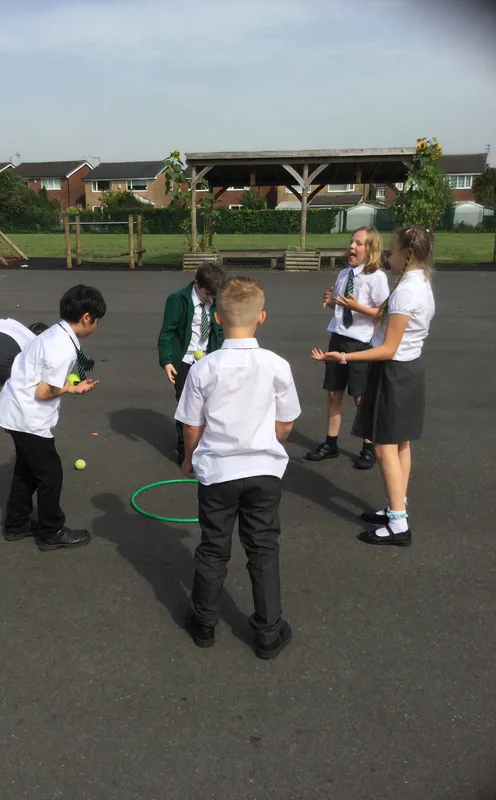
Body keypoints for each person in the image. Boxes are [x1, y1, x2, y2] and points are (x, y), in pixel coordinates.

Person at [176, 276, 301, 659]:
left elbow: (192, 425)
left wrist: (189, 458)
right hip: (264, 470)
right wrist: (266, 441)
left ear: (216, 318)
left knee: (213, 547)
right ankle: (267, 630)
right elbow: (286, 424)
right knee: (263, 547)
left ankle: (204, 623)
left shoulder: (204, 368)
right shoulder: (276, 365)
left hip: (218, 472)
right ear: (261, 317)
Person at [312, 226, 435, 546]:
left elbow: (387, 348)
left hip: (394, 370)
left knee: (383, 446)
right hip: (408, 369)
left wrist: (343, 357)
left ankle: (398, 524)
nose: (389, 256)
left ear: (408, 255)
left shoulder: (407, 291)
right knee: (400, 443)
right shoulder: (418, 282)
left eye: (393, 251)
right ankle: (398, 506)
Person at [0, 285, 105, 551]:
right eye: (97, 321)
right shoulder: (62, 347)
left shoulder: (54, 332)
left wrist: (68, 387)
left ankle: (16, 524)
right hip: (28, 417)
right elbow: (44, 392)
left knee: (26, 471)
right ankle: (51, 530)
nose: (96, 326)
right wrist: (72, 388)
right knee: (50, 474)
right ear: (87, 317)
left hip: (15, 409)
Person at [306, 227, 389, 469]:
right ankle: (330, 444)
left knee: (360, 396)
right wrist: (332, 302)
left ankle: (368, 446)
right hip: (338, 337)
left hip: (361, 343)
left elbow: (384, 313)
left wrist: (357, 306)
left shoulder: (377, 278)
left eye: (359, 244)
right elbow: (342, 307)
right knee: (333, 393)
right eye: (352, 242)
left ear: (371, 249)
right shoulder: (344, 274)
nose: (352, 247)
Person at [157, 262, 225, 466]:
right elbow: (167, 332)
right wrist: (167, 361)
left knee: (211, 406)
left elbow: (220, 331)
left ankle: (207, 447)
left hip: (209, 359)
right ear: (196, 284)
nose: (211, 298)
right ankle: (184, 449)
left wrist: (223, 356)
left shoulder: (214, 301)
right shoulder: (178, 300)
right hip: (185, 361)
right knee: (187, 407)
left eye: (214, 294)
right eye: (207, 293)